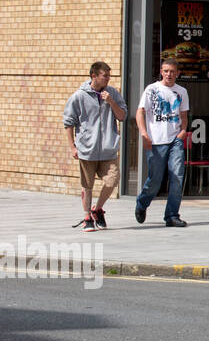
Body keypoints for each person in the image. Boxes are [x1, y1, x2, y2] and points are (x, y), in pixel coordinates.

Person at [63, 61, 128, 230]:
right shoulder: (79, 96)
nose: (108, 79)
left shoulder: (112, 93)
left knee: (112, 180)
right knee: (87, 186)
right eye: (104, 76)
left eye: (109, 75)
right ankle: (87, 218)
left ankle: (97, 209)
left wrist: (111, 102)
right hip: (87, 149)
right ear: (94, 76)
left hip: (108, 148)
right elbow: (68, 123)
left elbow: (122, 116)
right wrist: (72, 147)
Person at [134, 57, 190, 227]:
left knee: (177, 178)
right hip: (155, 142)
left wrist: (182, 133)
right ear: (161, 72)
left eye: (172, 71)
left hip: (175, 141)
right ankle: (142, 203)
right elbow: (140, 112)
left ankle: (172, 216)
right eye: (166, 71)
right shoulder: (152, 89)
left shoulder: (182, 91)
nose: (169, 74)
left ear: (177, 73)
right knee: (155, 180)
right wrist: (144, 134)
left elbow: (184, 116)